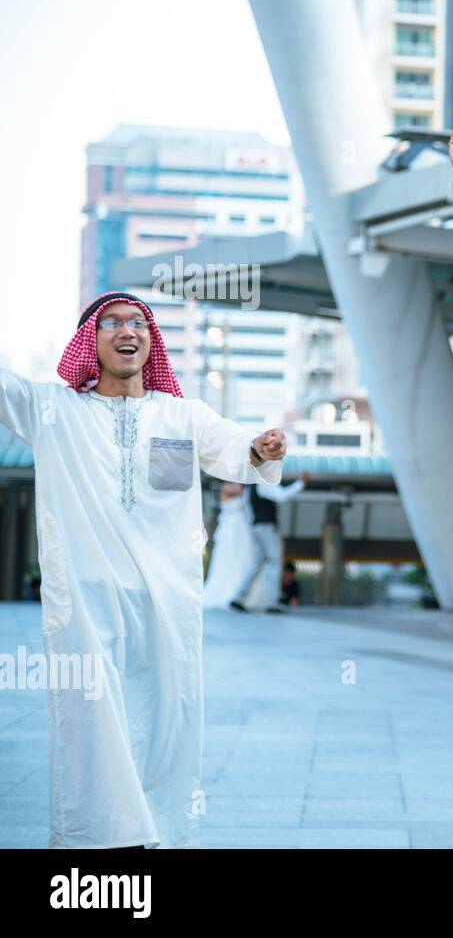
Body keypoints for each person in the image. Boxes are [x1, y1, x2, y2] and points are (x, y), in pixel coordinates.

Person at [0, 291, 287, 848]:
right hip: (86, 601)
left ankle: (162, 829)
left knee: (167, 712)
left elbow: (235, 448)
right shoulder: (55, 411)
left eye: (137, 322)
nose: (125, 331)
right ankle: (95, 837)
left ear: (151, 339)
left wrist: (259, 447)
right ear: (90, 341)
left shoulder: (182, 414)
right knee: (91, 714)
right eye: (110, 324)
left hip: (167, 600)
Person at [230, 472, 308, 615]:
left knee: (256, 563)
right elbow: (282, 496)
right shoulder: (263, 483)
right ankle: (272, 603)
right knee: (275, 562)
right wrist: (300, 484)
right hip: (267, 526)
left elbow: (248, 512)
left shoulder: (249, 487)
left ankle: (238, 598)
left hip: (255, 527)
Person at [202, 482, 263, 609]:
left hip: (242, 528)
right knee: (228, 558)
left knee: (245, 558)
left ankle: (242, 593)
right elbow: (239, 491)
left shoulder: (240, 487)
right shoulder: (226, 487)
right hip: (231, 528)